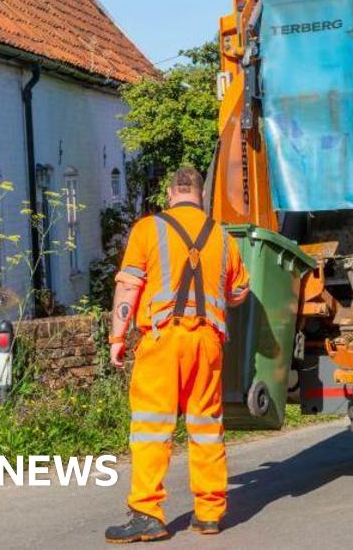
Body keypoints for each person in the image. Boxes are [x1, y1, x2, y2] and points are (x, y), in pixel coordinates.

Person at [104, 166, 249, 543]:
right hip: (208, 342)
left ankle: (147, 512)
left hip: (163, 339)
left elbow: (129, 286)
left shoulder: (148, 229)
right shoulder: (222, 237)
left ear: (170, 193)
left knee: (152, 427)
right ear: (200, 194)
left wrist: (117, 336)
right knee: (205, 428)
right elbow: (239, 292)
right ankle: (209, 512)